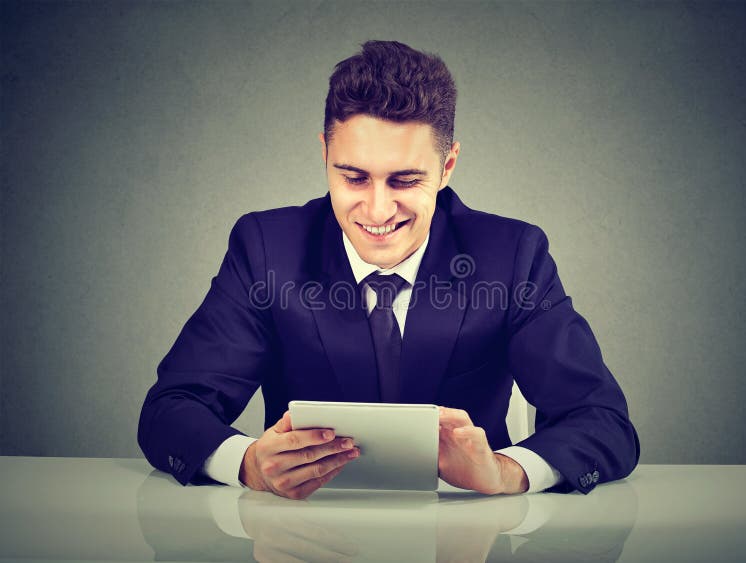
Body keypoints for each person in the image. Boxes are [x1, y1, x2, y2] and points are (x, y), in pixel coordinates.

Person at [138, 40, 640, 500]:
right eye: (353, 176)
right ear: (325, 154)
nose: (378, 211)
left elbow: (602, 422)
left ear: (447, 167)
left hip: (469, 533)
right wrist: (247, 463)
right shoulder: (266, 248)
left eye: (405, 180)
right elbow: (171, 409)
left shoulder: (512, 255)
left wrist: (506, 472)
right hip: (301, 534)